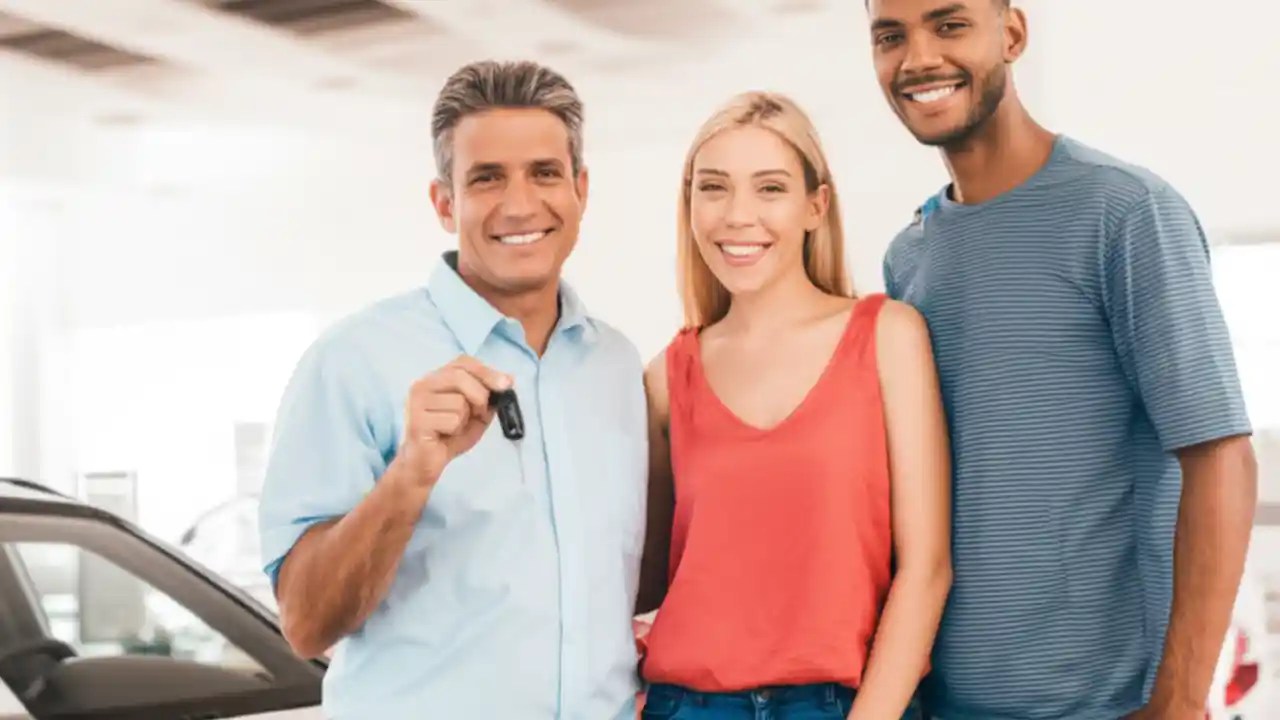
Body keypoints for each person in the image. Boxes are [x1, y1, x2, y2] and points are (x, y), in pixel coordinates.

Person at [866, 1, 1261, 718]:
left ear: (1011, 34)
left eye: (948, 24)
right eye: (891, 35)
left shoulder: (1126, 211)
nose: (917, 57)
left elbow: (1221, 457)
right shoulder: (909, 257)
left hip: (1107, 706)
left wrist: (1177, 702)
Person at [257, 59, 648, 719]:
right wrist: (411, 475)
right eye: (487, 178)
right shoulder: (354, 360)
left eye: (545, 173)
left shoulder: (615, 364)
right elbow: (304, 623)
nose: (521, 204)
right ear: (445, 204)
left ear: (580, 189)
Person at [635, 91, 953, 720]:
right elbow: (639, 579)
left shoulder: (888, 336)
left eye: (770, 188)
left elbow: (927, 568)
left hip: (846, 703)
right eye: (714, 188)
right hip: (687, 706)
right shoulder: (667, 378)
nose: (737, 215)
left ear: (816, 206)